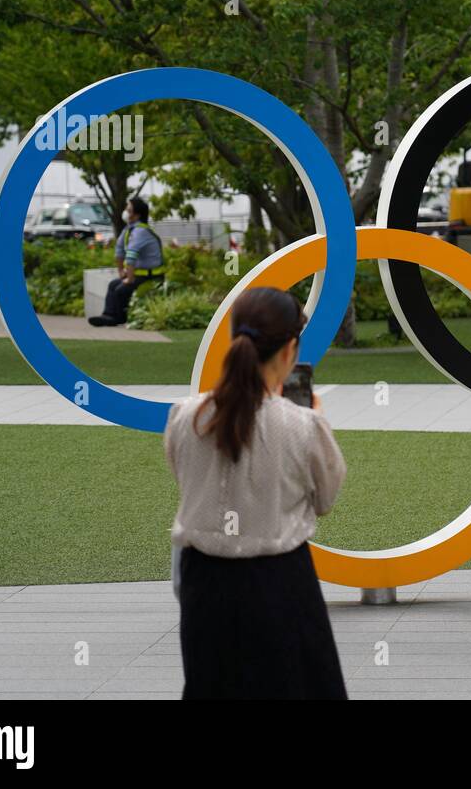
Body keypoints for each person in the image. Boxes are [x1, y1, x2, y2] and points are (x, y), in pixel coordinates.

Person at [163, 286, 349, 698]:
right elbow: (326, 499)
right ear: (290, 351)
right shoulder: (302, 426)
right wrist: (315, 419)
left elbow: (187, 481)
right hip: (279, 582)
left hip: (203, 582)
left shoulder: (184, 416)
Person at [89, 196, 164, 326]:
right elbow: (119, 251)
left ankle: (119, 318)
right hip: (139, 275)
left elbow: (131, 255)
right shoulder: (129, 229)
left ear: (137, 214)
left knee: (121, 289)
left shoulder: (141, 231)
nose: (125, 212)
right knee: (113, 284)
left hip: (151, 276)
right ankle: (108, 315)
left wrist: (129, 278)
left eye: (128, 210)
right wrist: (121, 272)